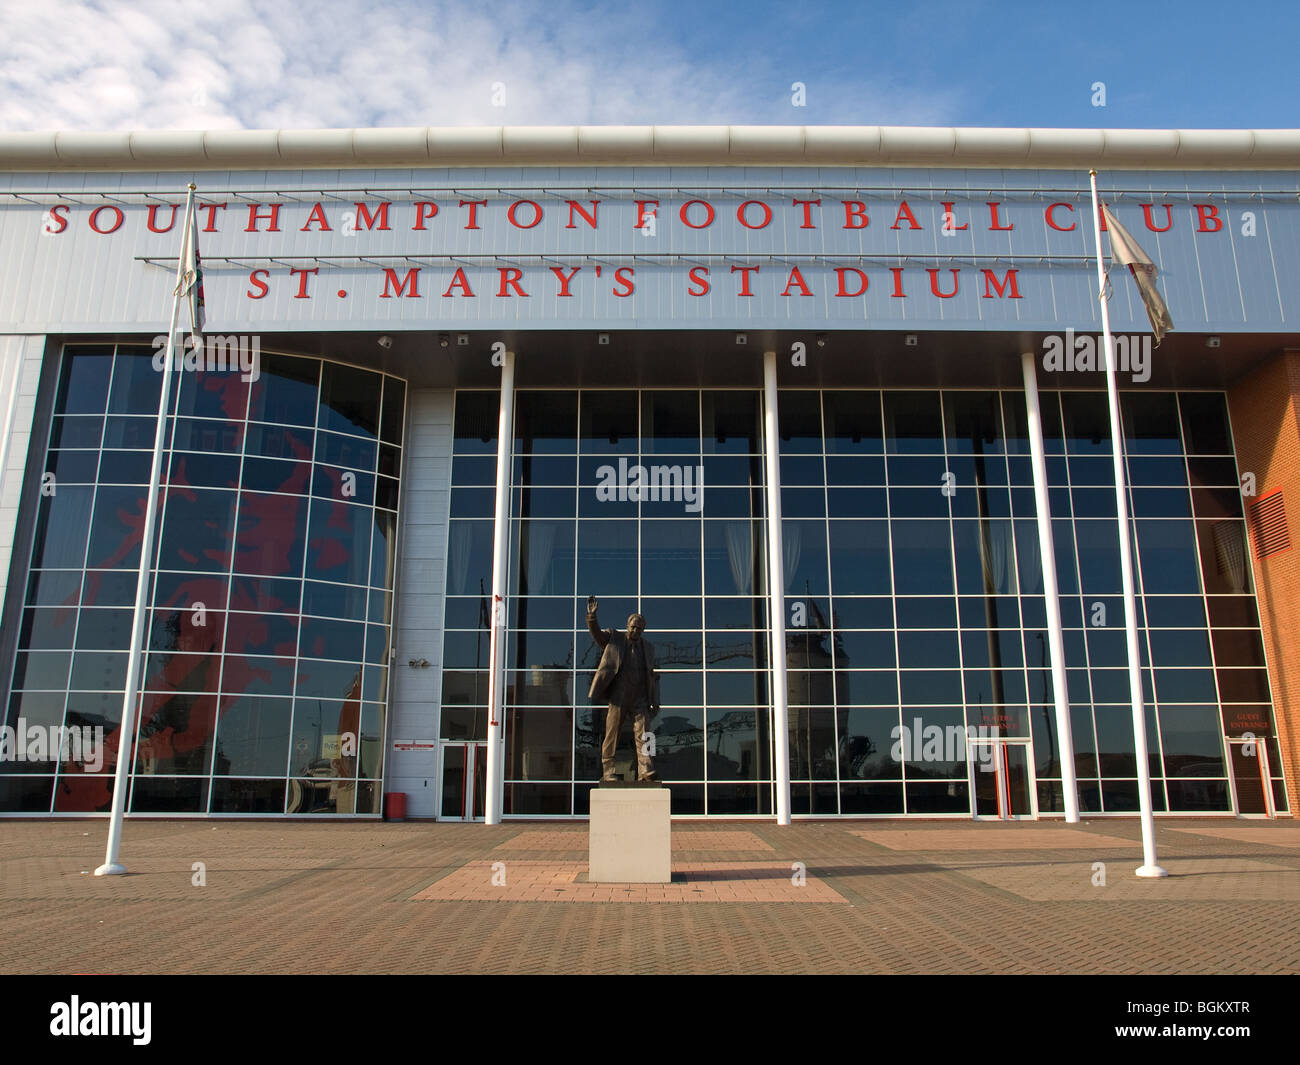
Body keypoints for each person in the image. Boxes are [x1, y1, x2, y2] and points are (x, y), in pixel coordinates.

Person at [586, 595, 659, 783]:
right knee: (612, 733)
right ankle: (608, 770)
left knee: (645, 733)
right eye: (633, 627)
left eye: (640, 628)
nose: (636, 631)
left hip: (640, 697)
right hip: (619, 695)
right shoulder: (615, 638)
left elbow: (652, 676)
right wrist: (592, 618)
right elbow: (598, 636)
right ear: (628, 625)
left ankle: (646, 769)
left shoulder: (648, 648)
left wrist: (654, 700)